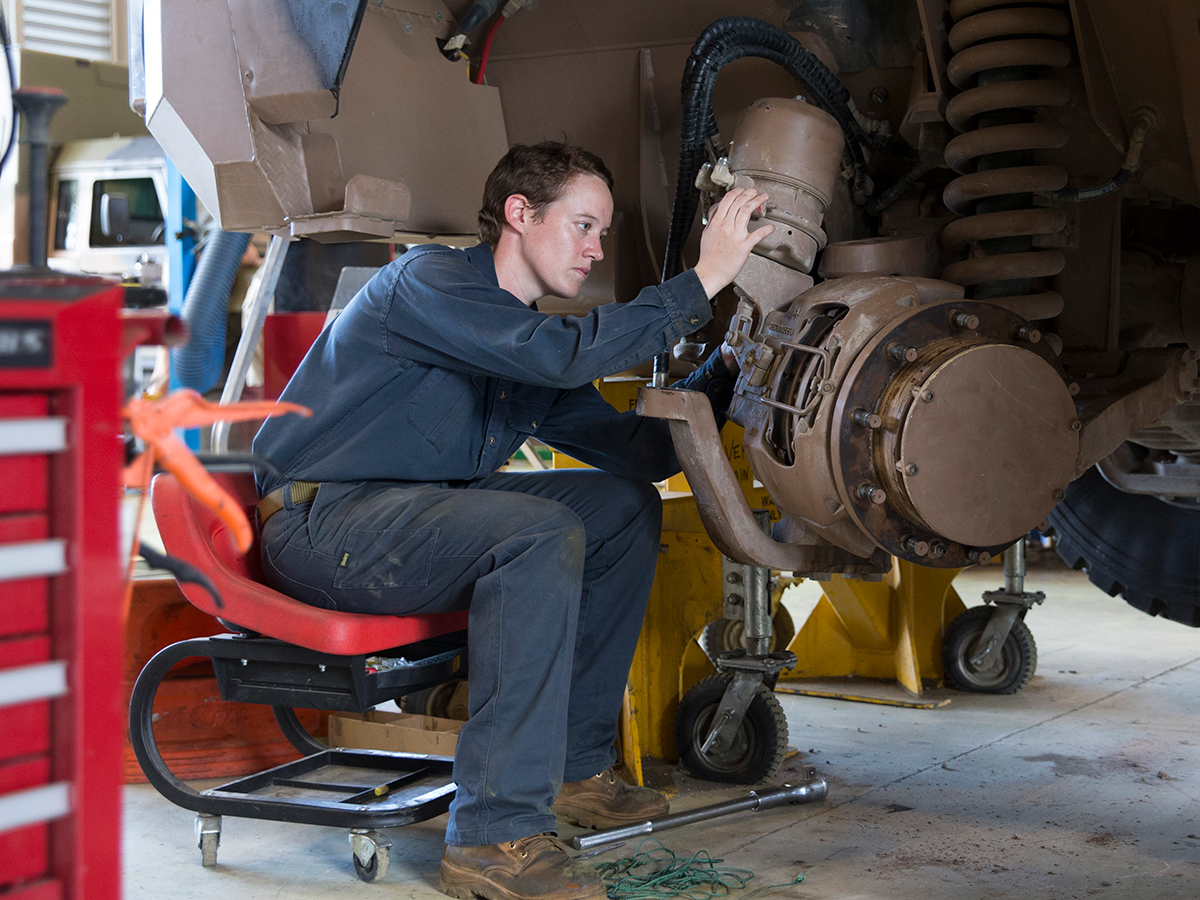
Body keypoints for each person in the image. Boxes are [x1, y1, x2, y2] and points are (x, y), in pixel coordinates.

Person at [251, 141, 772, 900]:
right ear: (520, 215)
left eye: (603, 234)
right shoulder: (428, 283)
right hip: (324, 524)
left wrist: (724, 367)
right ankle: (494, 839)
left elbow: (638, 453)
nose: (595, 251)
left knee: (621, 508)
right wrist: (702, 282)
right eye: (583, 226)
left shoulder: (523, 344)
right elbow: (561, 357)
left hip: (414, 520)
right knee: (536, 531)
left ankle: (572, 765)